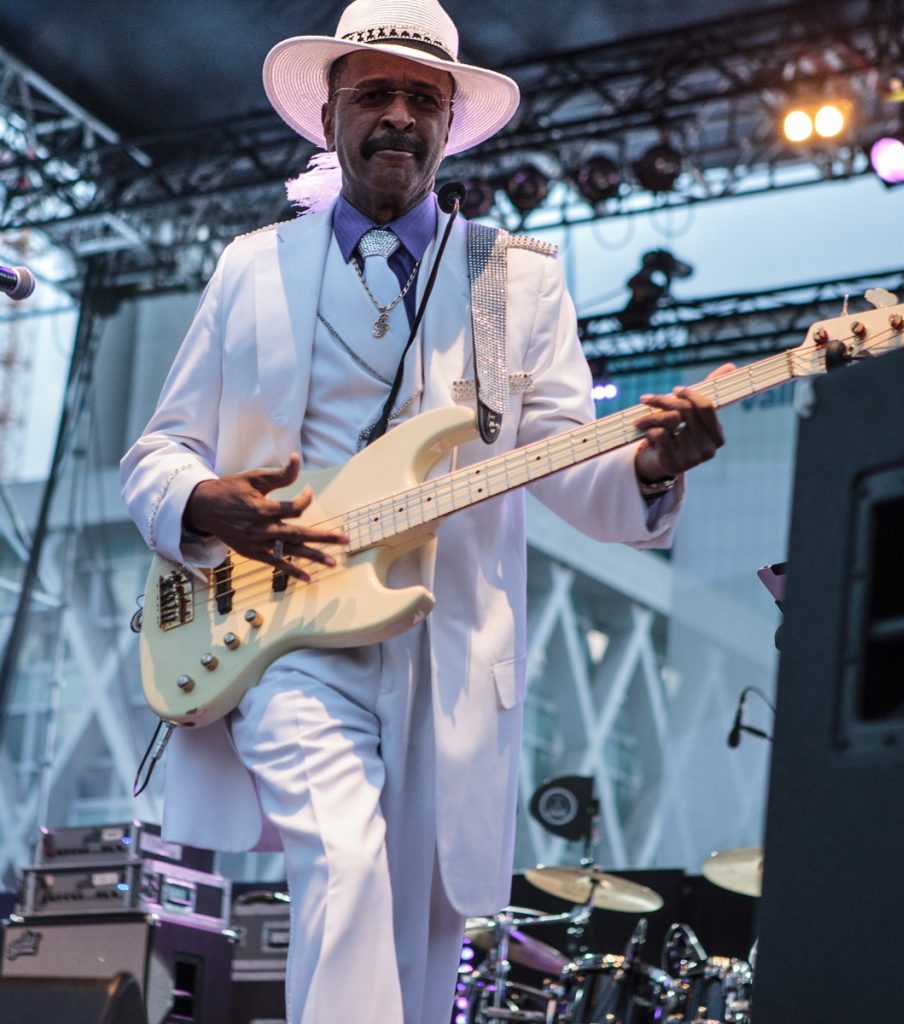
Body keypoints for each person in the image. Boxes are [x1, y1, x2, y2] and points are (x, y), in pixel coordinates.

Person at [121, 1, 727, 1021]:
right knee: (343, 862)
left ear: (450, 122)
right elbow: (157, 451)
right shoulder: (250, 267)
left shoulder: (515, 279)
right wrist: (199, 498)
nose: (397, 115)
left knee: (421, 943)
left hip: (449, 655)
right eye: (374, 93)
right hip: (287, 637)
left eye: (421, 97)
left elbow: (562, 463)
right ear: (329, 113)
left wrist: (652, 465)